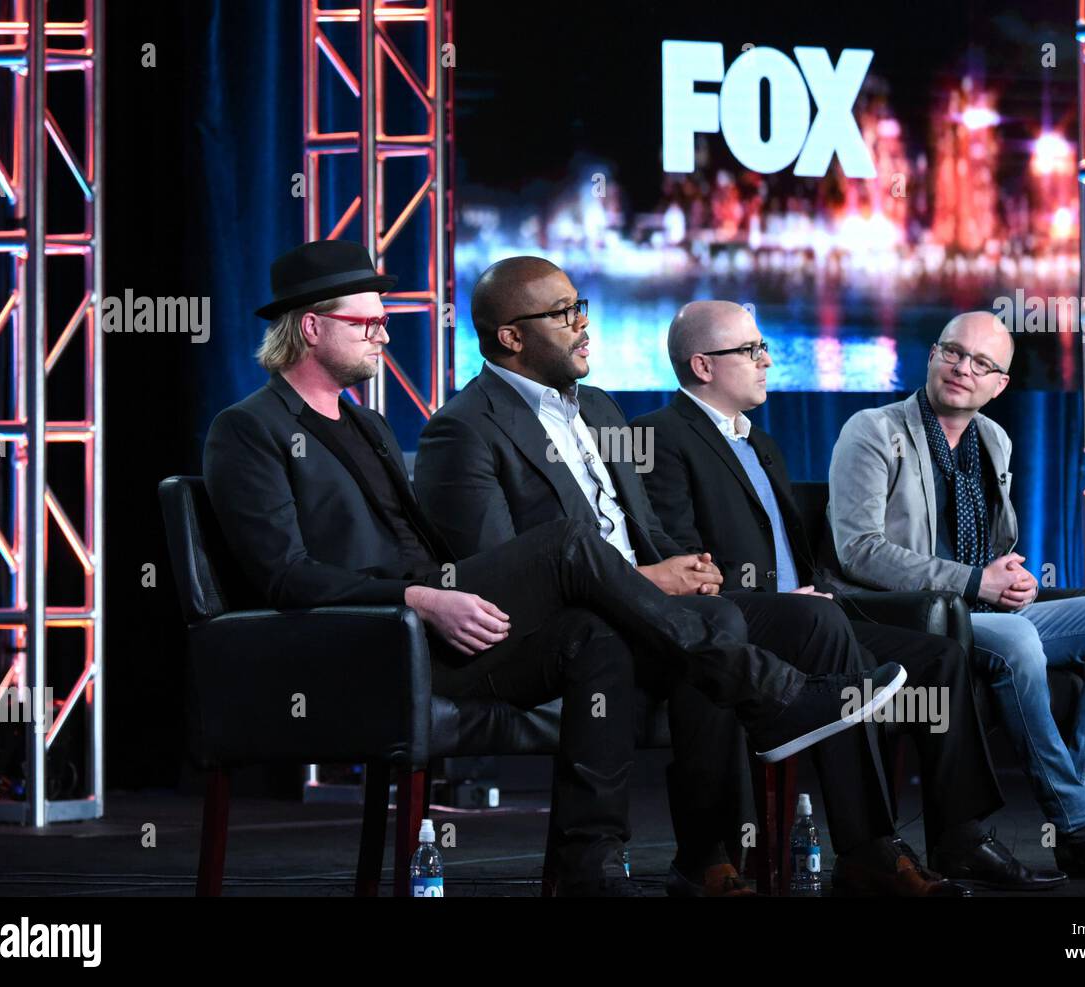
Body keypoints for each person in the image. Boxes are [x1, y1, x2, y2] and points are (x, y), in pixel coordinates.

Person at [202, 240, 902, 897]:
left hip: (441, 616)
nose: (385, 336)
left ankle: (587, 862)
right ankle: (772, 695)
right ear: (313, 327)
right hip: (372, 637)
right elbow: (285, 574)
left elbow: (427, 548)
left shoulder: (368, 425)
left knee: (605, 638)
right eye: (368, 324)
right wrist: (418, 596)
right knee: (567, 541)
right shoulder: (248, 428)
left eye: (384, 323)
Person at [414, 257, 1045, 895]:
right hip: (557, 630)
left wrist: (683, 572)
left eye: (581, 308)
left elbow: (649, 534)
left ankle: (868, 849)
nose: (583, 325)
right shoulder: (463, 428)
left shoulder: (599, 410)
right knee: (710, 624)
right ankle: (710, 848)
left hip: (648, 607)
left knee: (813, 617)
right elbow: (509, 576)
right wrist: (652, 583)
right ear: (511, 337)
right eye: (562, 313)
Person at [632, 299, 1064, 891]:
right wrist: (782, 601)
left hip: (803, 617)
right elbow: (679, 564)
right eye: (751, 350)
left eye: (764, 347)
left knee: (940, 658)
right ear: (704, 366)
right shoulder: (659, 435)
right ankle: (866, 848)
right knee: (825, 630)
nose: (767, 360)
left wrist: (807, 595)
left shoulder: (761, 443)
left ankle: (959, 836)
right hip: (730, 624)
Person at [827, 310, 1085, 877]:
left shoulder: (994, 439)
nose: (961, 369)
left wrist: (1012, 578)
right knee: (1019, 637)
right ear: (931, 356)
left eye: (982, 364)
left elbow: (996, 546)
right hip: (913, 616)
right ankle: (1076, 826)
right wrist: (976, 581)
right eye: (952, 352)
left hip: (981, 606)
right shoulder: (873, 430)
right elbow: (859, 552)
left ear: (999, 385)